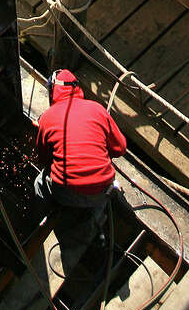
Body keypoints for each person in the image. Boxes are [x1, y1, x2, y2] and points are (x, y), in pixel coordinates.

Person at [34, 68, 127, 217]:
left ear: (53, 92)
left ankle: (48, 217)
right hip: (103, 191)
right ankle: (97, 218)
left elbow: (44, 159)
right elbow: (121, 148)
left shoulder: (46, 118)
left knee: (39, 183)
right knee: (95, 197)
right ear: (76, 88)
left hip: (67, 194)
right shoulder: (97, 108)